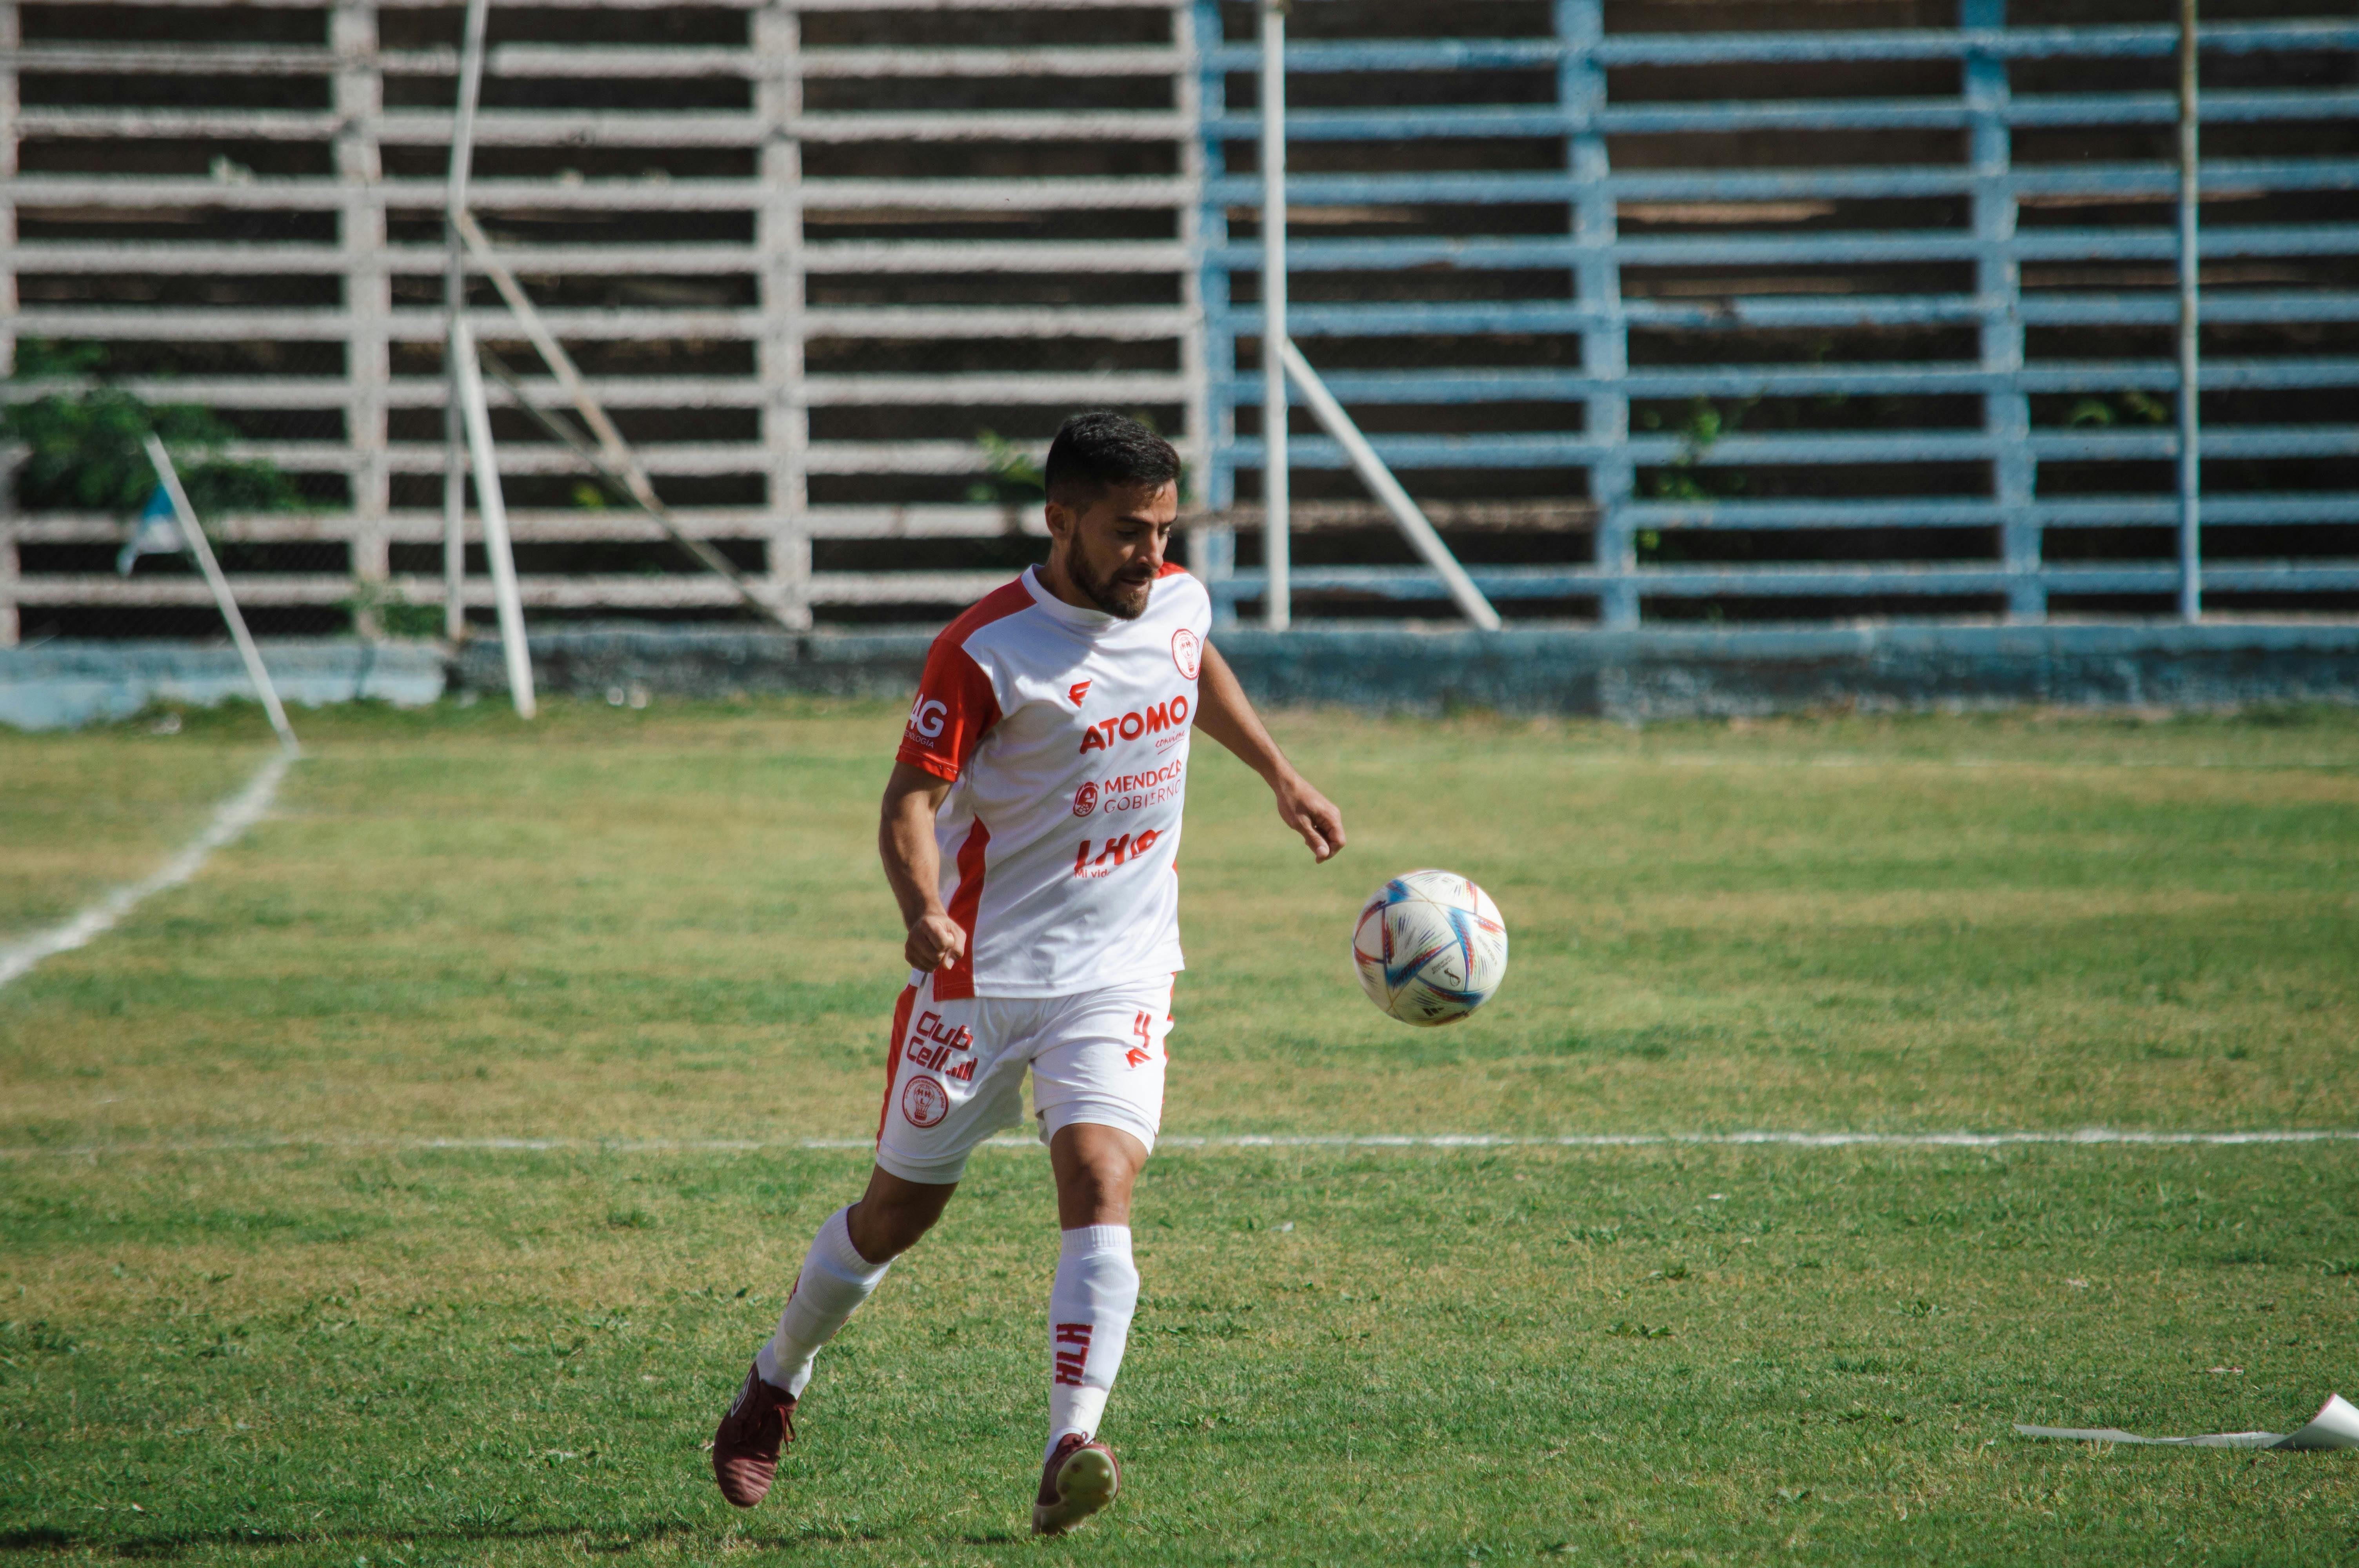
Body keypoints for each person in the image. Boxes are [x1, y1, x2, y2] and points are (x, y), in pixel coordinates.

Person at [709, 411, 1347, 1535]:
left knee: (1100, 1177)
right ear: (1061, 522)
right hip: (982, 977)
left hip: (1124, 967)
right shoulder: (987, 648)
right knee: (895, 1218)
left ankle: (1070, 1443)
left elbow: (1193, 667)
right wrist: (921, 913)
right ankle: (775, 1379)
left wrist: (1281, 776)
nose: (1151, 555)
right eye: (1125, 532)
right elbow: (909, 798)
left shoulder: (1178, 604)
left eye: (1162, 528)